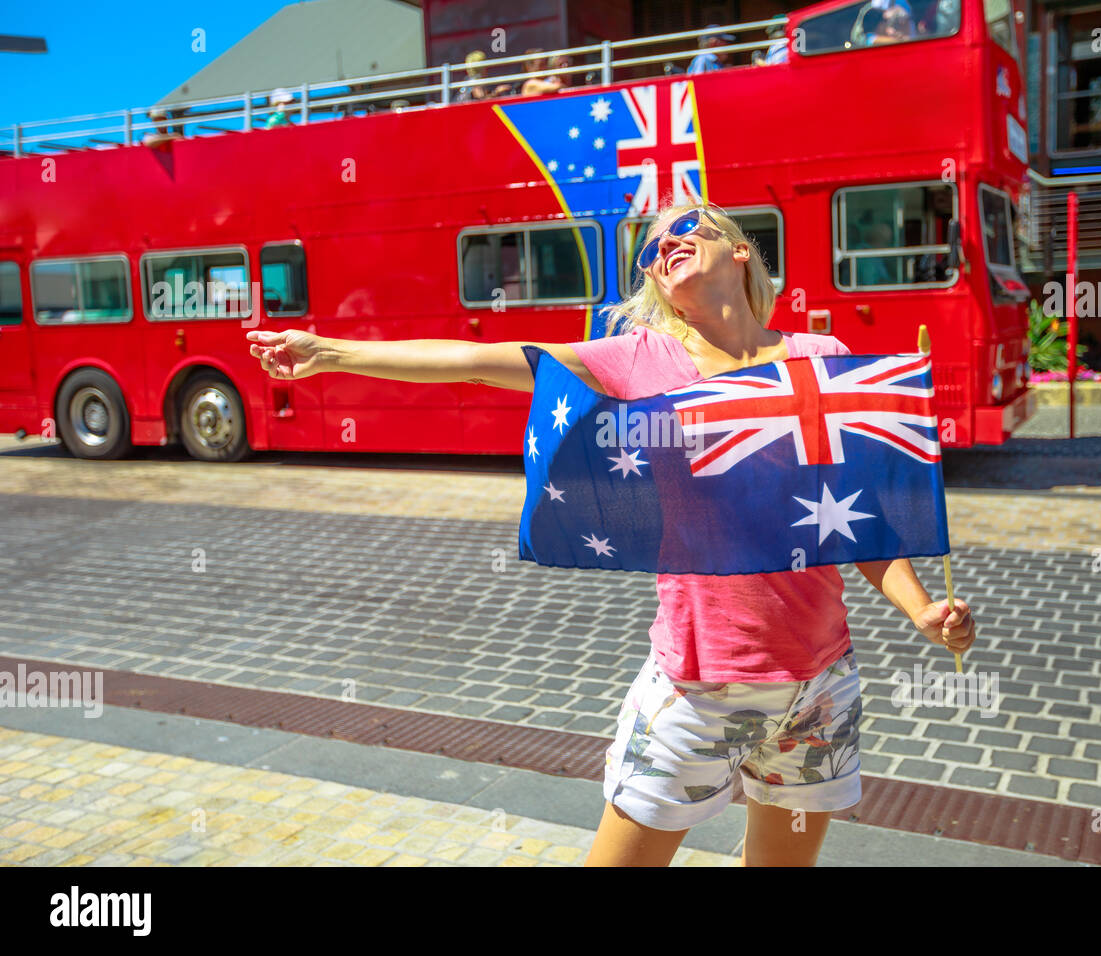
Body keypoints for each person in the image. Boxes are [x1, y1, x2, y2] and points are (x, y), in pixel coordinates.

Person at [246, 201, 977, 867]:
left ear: (741, 251)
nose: (666, 246)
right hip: (697, 691)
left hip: (817, 691)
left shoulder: (820, 360)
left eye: (686, 230)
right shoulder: (640, 361)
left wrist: (923, 612)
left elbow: (860, 521)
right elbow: (482, 364)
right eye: (653, 248)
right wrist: (331, 352)